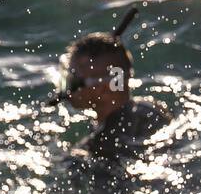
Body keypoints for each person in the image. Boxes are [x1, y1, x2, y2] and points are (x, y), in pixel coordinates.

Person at [52, 29, 170, 162]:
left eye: (73, 80)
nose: (68, 88)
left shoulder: (99, 146)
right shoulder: (152, 108)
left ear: (103, 89)